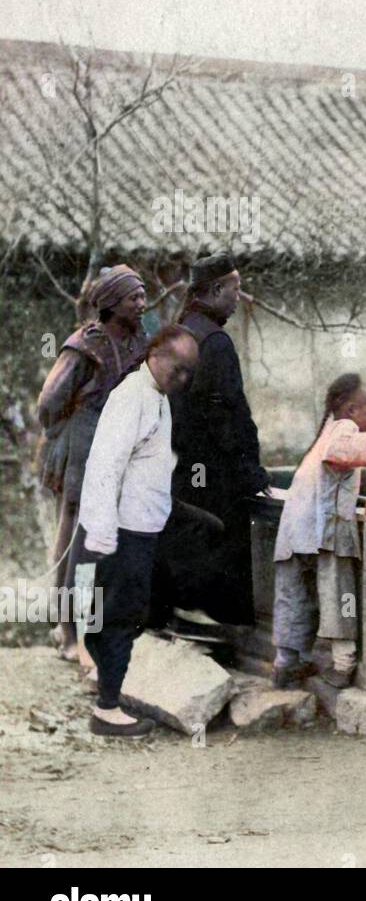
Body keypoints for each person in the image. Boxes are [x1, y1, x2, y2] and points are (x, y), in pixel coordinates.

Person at [75, 326, 199, 737]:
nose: (182, 380)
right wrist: (103, 533)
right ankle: (107, 709)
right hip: (123, 528)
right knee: (121, 614)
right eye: (178, 370)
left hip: (147, 522)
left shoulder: (157, 396)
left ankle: (105, 681)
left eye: (188, 374)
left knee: (133, 608)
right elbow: (104, 466)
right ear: (156, 355)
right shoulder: (132, 397)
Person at [37, 265, 148, 663]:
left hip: (120, 444)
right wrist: (67, 442)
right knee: (75, 537)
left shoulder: (140, 342)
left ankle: (101, 629)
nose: (142, 303)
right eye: (134, 297)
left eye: (143, 294)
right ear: (111, 302)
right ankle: (67, 632)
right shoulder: (83, 346)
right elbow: (49, 403)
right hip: (83, 446)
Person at [166, 254, 270, 630]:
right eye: (235, 289)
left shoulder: (181, 331)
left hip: (184, 464)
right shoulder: (215, 341)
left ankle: (190, 626)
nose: (239, 297)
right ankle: (226, 637)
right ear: (215, 290)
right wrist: (250, 470)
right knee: (223, 542)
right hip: (213, 468)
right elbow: (228, 414)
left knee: (193, 540)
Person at [271, 373, 366, 689]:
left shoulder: (326, 431)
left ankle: (286, 665)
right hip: (326, 530)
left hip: (296, 530)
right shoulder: (345, 428)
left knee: (295, 597)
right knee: (338, 595)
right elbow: (341, 453)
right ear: (350, 409)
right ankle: (344, 666)